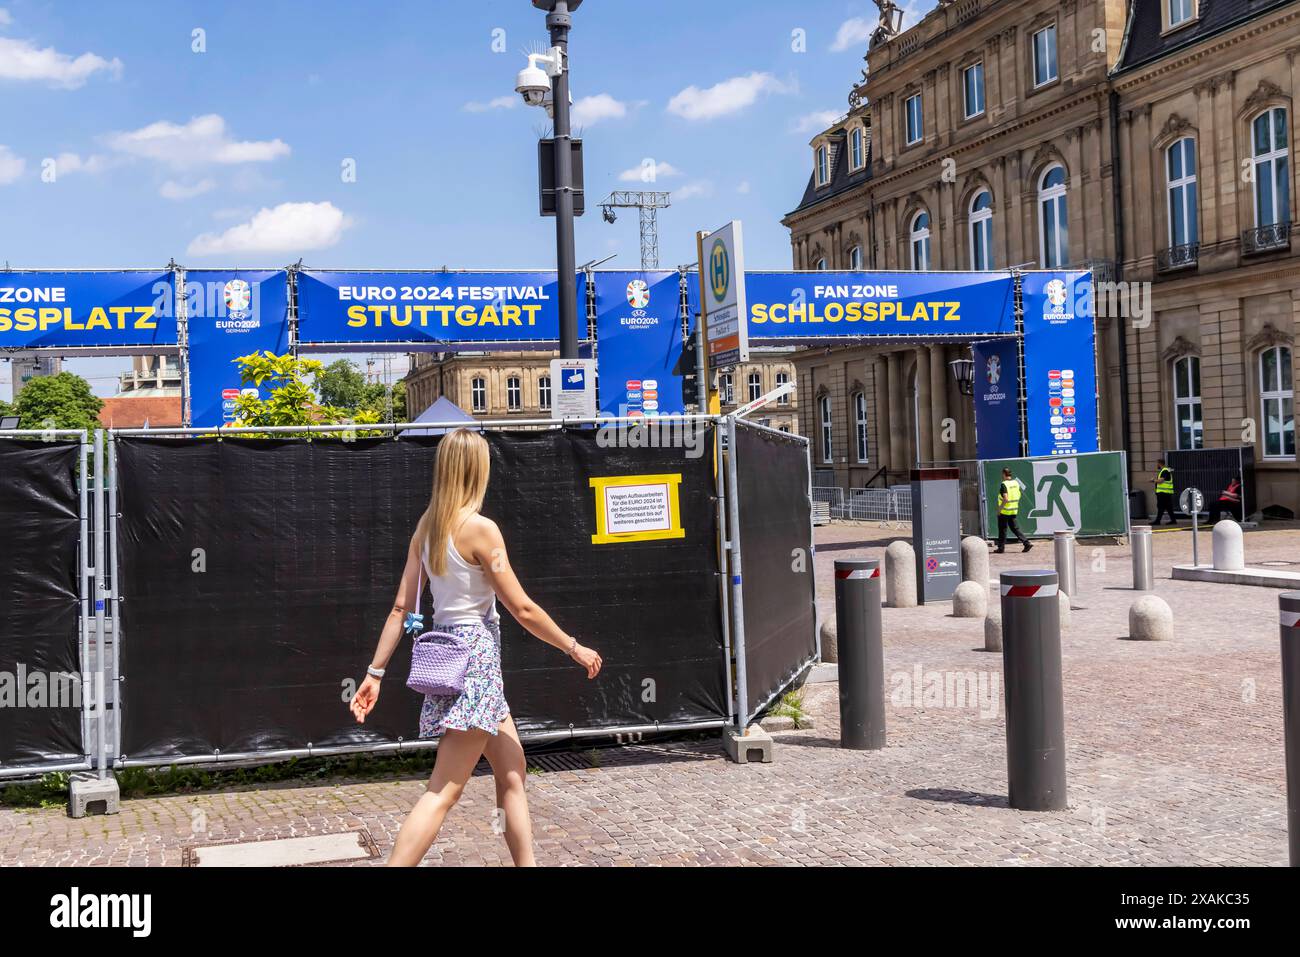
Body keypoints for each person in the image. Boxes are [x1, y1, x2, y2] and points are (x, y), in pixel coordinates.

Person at [350, 428, 603, 866]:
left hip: (449, 657)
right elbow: (522, 608)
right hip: (475, 665)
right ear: (477, 469)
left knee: (512, 773)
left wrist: (374, 674)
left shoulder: (426, 528)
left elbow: (400, 609)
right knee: (443, 791)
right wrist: (573, 647)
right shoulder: (482, 530)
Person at [995, 467, 1033, 554]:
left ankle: (1001, 548)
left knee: (1002, 530)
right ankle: (1026, 543)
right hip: (1013, 510)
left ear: (1004, 474)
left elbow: (1005, 499)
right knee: (1015, 529)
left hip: (1004, 511)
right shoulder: (1016, 483)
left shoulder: (1004, 484)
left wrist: (999, 509)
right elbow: (1018, 495)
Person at [1153, 459, 1177, 525]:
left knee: (1161, 507)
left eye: (1157, 463)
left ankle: (1157, 521)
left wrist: (1154, 480)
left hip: (1163, 493)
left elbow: (1161, 480)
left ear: (1160, 463)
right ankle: (1173, 520)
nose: (1156, 465)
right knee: (1168, 507)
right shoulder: (1166, 470)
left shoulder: (1164, 471)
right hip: (1166, 493)